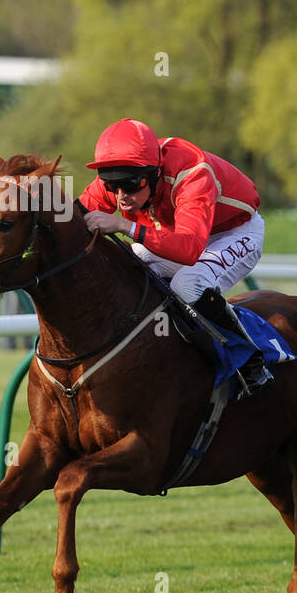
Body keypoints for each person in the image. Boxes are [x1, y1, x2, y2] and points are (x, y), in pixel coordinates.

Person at [76, 117, 269, 389]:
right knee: (128, 270)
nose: (120, 196)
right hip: (175, 233)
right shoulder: (123, 174)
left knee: (187, 285)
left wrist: (122, 224)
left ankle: (249, 358)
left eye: (130, 185)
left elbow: (189, 249)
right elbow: (70, 219)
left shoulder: (192, 173)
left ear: (153, 173)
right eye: (110, 185)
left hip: (232, 232)